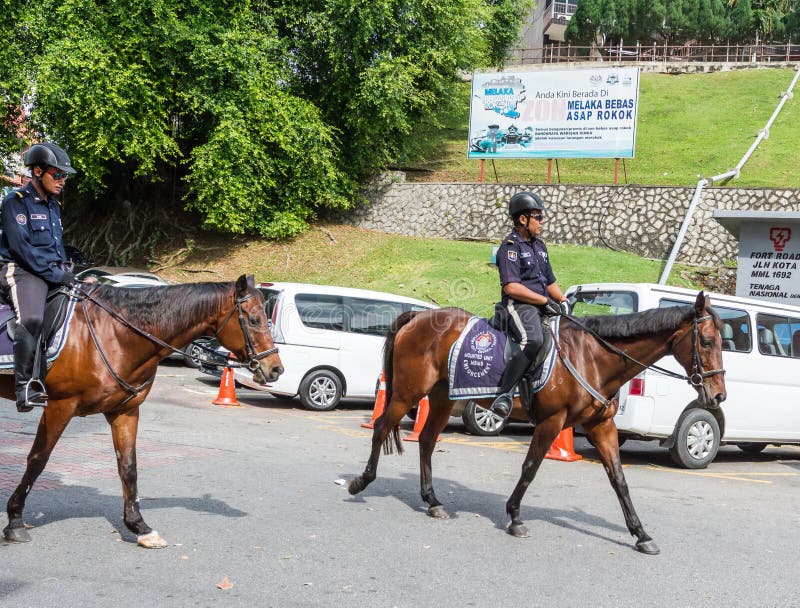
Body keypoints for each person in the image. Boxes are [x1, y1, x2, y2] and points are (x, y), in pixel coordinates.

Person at [0, 142, 78, 412]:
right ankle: (24, 386)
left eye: (65, 176)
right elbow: (23, 250)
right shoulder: (15, 202)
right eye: (57, 175)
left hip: (51, 270)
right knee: (32, 318)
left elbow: (55, 248)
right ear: (36, 171)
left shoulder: (54, 206)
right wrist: (57, 274)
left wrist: (69, 273)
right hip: (21, 270)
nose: (62, 180)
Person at [489, 191, 569, 418]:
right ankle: (504, 395)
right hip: (518, 306)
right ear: (523, 219)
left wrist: (562, 300)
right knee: (532, 339)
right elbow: (511, 287)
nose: (542, 222)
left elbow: (550, 281)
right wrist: (545, 301)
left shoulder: (540, 247)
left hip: (542, 305)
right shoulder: (510, 247)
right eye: (538, 217)